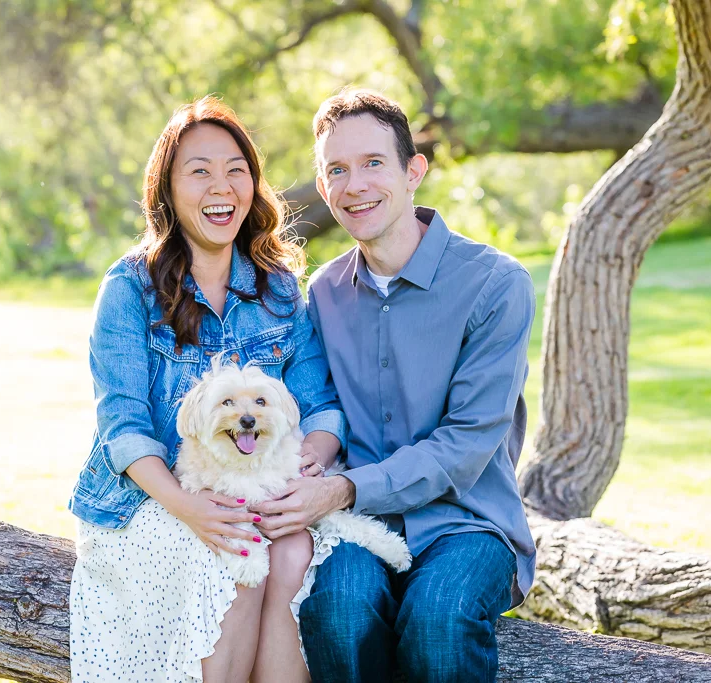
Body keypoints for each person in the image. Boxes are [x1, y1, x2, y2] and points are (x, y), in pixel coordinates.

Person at [249, 88, 537, 682]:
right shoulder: (323, 294)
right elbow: (315, 406)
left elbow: (465, 447)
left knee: (439, 616)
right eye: (337, 170)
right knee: (336, 611)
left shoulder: (495, 284)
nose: (355, 185)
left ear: (414, 171)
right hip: (361, 525)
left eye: (373, 163)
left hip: (468, 519)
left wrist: (342, 490)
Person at [67, 95, 346, 683]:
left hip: (254, 488)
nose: (221, 187)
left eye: (235, 170)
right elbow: (123, 427)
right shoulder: (128, 289)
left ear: (252, 185)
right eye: (199, 171)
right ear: (166, 189)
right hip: (148, 501)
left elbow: (319, 406)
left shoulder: (277, 290)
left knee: (293, 553)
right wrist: (191, 507)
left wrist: (303, 470)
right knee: (236, 558)